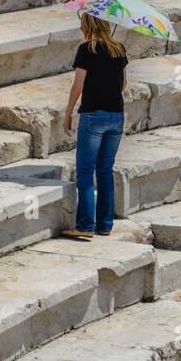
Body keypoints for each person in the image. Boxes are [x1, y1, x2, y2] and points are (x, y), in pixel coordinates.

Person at [63, 14, 128, 240]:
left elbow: (78, 85)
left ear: (88, 24)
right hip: (116, 116)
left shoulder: (86, 49)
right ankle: (105, 224)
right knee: (105, 170)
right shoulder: (118, 48)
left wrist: (68, 111)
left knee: (85, 170)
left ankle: (85, 225)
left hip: (93, 115)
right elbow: (123, 83)